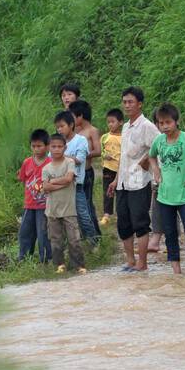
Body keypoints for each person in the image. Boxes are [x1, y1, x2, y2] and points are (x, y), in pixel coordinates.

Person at [148, 103, 185, 275]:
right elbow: (151, 156)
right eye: (161, 123)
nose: (165, 126)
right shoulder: (159, 140)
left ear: (176, 121)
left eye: (168, 122)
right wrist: (156, 169)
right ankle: (177, 272)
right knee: (170, 234)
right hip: (164, 196)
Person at [109, 86, 160, 272]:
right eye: (124, 102)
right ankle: (130, 260)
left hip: (140, 181)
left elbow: (160, 145)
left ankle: (142, 262)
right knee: (123, 223)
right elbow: (123, 157)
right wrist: (115, 180)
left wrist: (147, 159)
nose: (127, 105)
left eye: (131, 102)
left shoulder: (147, 126)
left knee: (140, 222)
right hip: (123, 182)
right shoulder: (125, 127)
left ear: (140, 104)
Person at [42, 133, 87, 274]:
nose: (56, 149)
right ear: (49, 148)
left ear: (65, 148)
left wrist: (53, 181)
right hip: (52, 210)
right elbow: (45, 187)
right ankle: (59, 264)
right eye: (53, 146)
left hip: (69, 209)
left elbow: (68, 179)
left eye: (59, 146)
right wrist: (61, 184)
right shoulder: (46, 168)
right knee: (56, 239)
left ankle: (78, 265)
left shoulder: (69, 162)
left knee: (74, 239)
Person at [17, 129, 52, 262]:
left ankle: (47, 259)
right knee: (25, 232)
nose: (36, 149)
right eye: (33, 146)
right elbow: (23, 180)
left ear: (47, 146)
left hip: (45, 205)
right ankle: (24, 259)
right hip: (29, 204)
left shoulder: (50, 163)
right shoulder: (27, 162)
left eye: (39, 146)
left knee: (43, 233)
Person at [72, 99, 103, 244]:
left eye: (73, 116)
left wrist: (82, 156)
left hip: (87, 172)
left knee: (87, 204)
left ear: (80, 116)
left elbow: (98, 151)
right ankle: (85, 234)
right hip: (76, 174)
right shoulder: (76, 132)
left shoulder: (92, 131)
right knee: (79, 206)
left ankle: (95, 236)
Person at [101, 108, 123, 221]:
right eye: (108, 122)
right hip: (108, 168)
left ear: (121, 122)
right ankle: (107, 214)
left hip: (120, 169)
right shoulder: (105, 137)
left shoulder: (124, 137)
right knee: (107, 190)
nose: (110, 124)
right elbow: (101, 151)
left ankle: (120, 213)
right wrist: (104, 155)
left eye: (113, 122)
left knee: (120, 191)